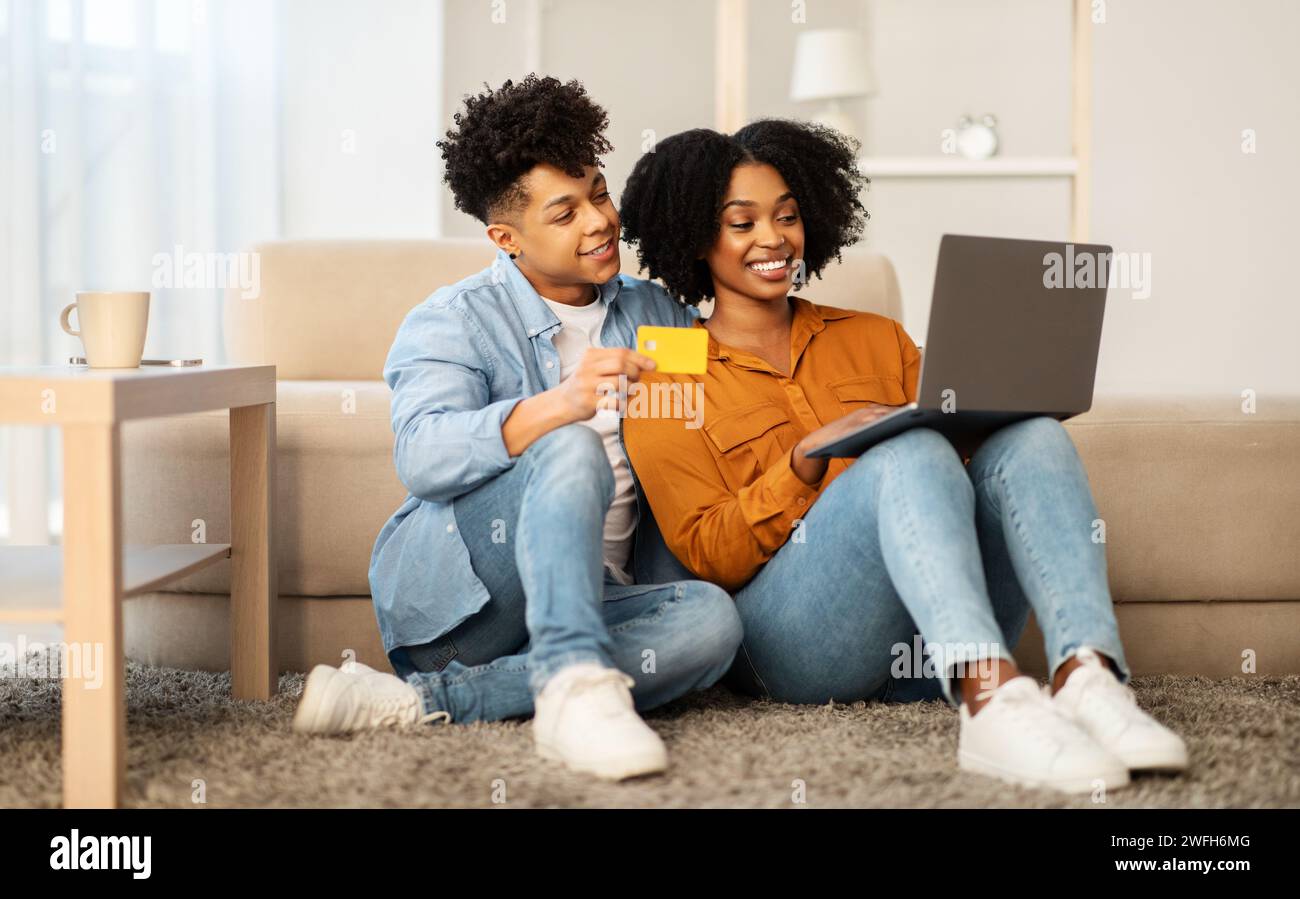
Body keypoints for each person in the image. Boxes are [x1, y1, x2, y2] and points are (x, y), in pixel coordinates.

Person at [618, 119, 1188, 793]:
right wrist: (803, 462)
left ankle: (1088, 677)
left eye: (788, 216)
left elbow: (966, 471)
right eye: (741, 223)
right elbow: (707, 552)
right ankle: (988, 699)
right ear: (695, 238)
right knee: (905, 449)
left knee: (1032, 433)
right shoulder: (665, 373)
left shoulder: (876, 337)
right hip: (794, 649)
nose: (773, 239)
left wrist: (991, 420)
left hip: (924, 640)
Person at [292, 76, 743, 782]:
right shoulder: (452, 319)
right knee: (565, 442)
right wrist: (560, 403)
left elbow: (724, 398)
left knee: (712, 622)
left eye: (598, 192)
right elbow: (424, 453)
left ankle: (445, 702)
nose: (598, 221)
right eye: (564, 212)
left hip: (604, 595)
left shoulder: (654, 311)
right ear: (506, 237)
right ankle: (570, 682)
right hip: (470, 609)